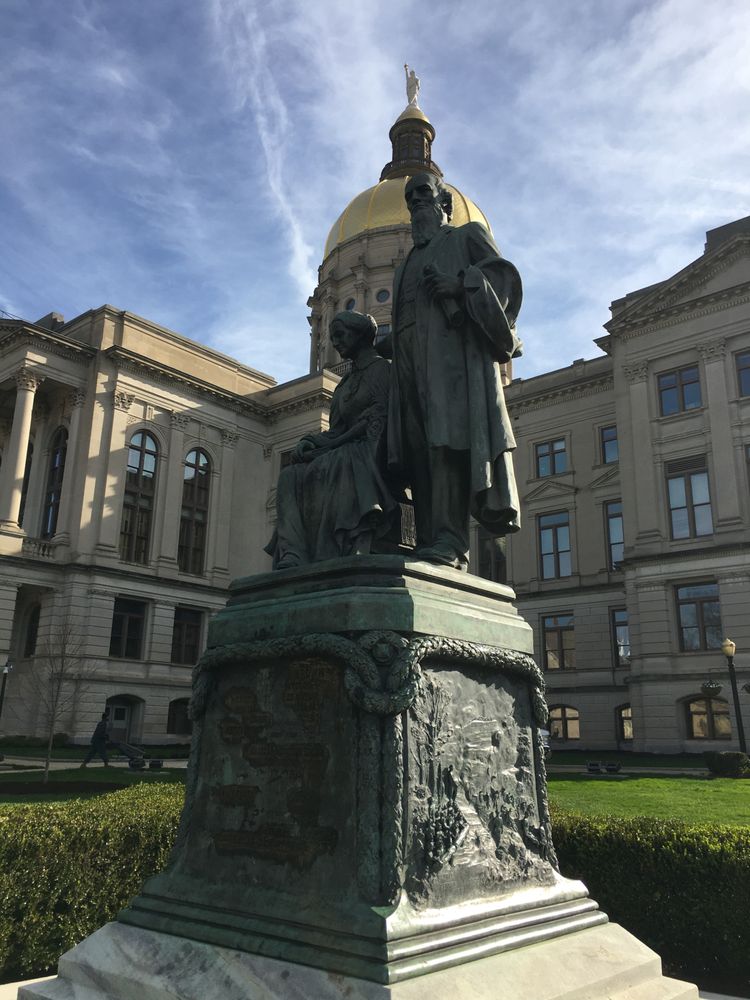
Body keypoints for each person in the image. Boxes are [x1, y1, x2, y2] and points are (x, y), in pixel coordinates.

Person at [381, 171, 523, 571]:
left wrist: (461, 284)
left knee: (446, 443)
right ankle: (429, 539)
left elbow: (505, 281)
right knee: (418, 451)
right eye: (410, 199)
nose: (415, 203)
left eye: (423, 194)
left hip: (451, 362)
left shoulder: (466, 236)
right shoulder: (405, 266)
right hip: (407, 365)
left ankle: (450, 540)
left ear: (444, 204)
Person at [266, 311, 398, 568]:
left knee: (342, 461)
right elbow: (336, 429)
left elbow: (379, 420)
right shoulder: (344, 383)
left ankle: (347, 544)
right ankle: (294, 553)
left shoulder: (382, 369)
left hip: (375, 446)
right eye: (332, 337)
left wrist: (332, 444)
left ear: (359, 335)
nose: (335, 343)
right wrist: (312, 441)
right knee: (290, 475)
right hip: (346, 445)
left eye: (340, 335)